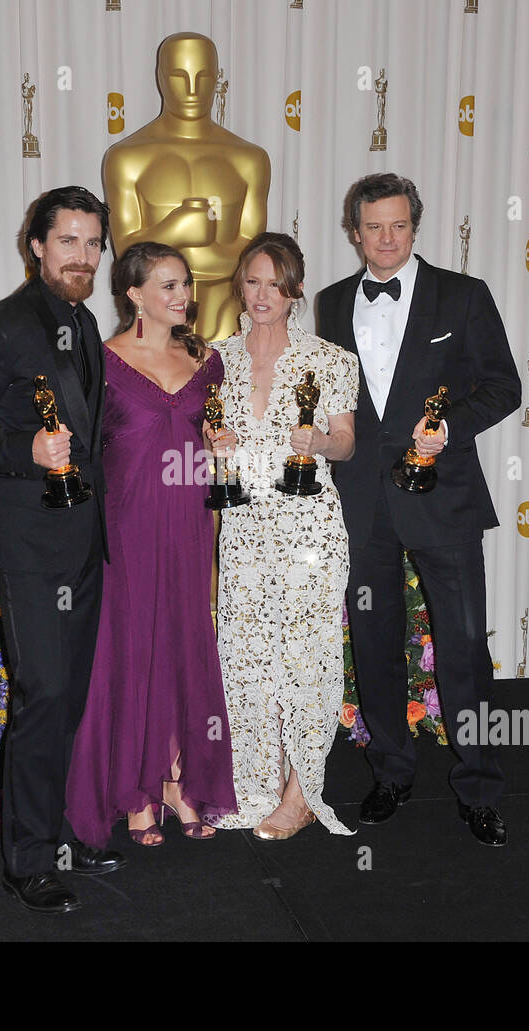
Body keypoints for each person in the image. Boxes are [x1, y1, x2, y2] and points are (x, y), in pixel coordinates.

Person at [316, 173, 521, 846]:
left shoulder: (463, 296)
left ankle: (480, 785)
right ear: (354, 231)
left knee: (463, 649)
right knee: (375, 647)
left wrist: (450, 427)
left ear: (415, 226)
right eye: (373, 226)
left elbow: (504, 386)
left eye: (399, 225)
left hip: (445, 501)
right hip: (363, 506)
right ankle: (391, 771)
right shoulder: (329, 303)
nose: (386, 238)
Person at [0, 185, 125, 914]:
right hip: (25, 543)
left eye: (92, 242)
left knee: (69, 697)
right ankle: (27, 860)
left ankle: (62, 829)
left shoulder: (84, 326)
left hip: (82, 539)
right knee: (44, 692)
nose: (81, 255)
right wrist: (26, 449)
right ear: (37, 246)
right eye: (67, 241)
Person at [65, 242, 236, 847]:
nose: (183, 295)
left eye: (185, 284)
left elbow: (207, 444)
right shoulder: (101, 361)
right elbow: (81, 451)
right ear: (133, 294)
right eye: (167, 286)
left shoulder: (207, 364)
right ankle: (135, 790)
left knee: (183, 642)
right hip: (127, 523)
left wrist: (220, 445)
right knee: (134, 647)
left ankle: (177, 781)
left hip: (189, 519)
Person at [206, 232, 358, 840]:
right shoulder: (215, 359)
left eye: (274, 282)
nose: (262, 293)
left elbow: (346, 442)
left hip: (309, 527)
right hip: (244, 528)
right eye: (252, 281)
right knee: (244, 659)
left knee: (306, 658)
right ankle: (255, 785)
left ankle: (301, 793)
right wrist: (213, 449)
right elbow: (205, 445)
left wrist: (318, 442)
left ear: (294, 288)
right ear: (239, 286)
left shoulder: (330, 360)